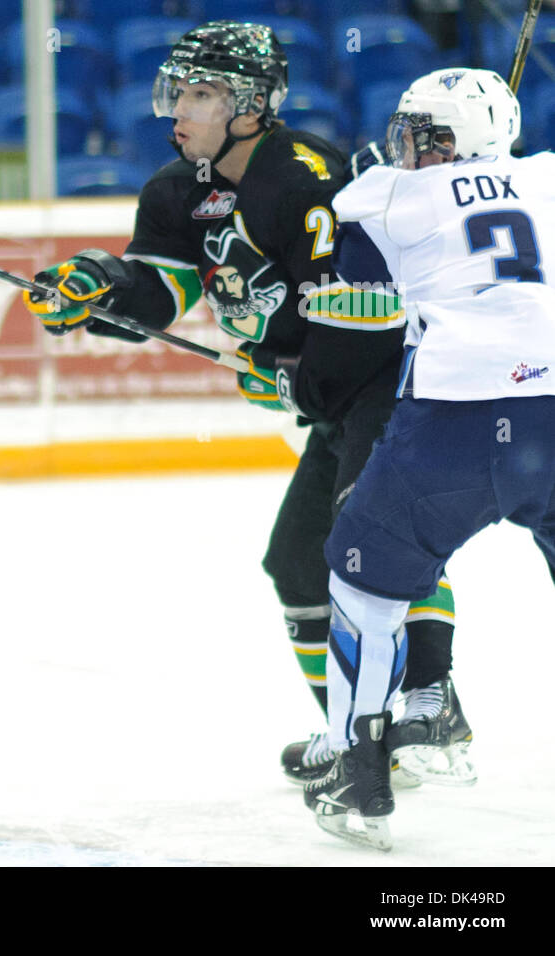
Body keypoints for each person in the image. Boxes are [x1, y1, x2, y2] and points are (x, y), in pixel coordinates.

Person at [22, 21, 470, 785]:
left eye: (199, 93)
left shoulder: (303, 177)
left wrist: (291, 375)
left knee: (379, 531)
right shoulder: (174, 190)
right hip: (334, 394)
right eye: (177, 91)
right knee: (298, 563)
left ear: (251, 105)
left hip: (390, 379)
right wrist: (98, 289)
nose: (178, 109)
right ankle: (351, 731)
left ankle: (432, 706)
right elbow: (160, 294)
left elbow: (361, 314)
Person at [304, 68, 551, 850]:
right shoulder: (547, 177)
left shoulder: (378, 194)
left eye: (428, 137)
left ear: (462, 139)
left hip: (458, 417)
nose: (409, 149)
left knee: (360, 571)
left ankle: (358, 768)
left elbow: (357, 299)